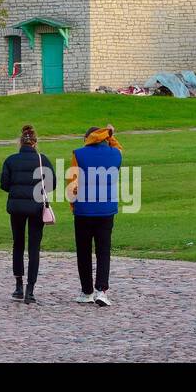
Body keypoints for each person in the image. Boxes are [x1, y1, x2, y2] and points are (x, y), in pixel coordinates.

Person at [68, 124, 124, 307]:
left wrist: (73, 205)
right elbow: (118, 149)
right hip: (106, 210)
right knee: (103, 251)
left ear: (87, 139)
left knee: (83, 252)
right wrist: (111, 135)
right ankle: (102, 290)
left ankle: (87, 291)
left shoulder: (79, 154)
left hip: (84, 210)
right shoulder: (115, 154)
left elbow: (72, 184)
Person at [0, 125, 54, 304]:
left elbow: (5, 184)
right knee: (34, 248)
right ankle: (30, 289)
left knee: (18, 244)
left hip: (16, 207)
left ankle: (18, 285)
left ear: (20, 142)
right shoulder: (42, 160)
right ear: (35, 143)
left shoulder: (11, 160)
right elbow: (52, 184)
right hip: (37, 207)